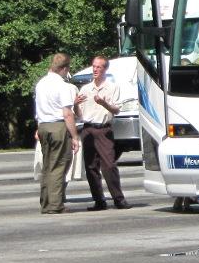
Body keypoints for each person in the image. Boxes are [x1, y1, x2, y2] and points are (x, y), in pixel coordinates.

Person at [79, 55, 130, 209]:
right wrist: (74, 105)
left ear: (105, 69)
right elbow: (79, 113)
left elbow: (116, 110)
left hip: (103, 129)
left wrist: (103, 103)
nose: (95, 69)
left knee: (109, 165)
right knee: (90, 166)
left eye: (99, 67)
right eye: (94, 66)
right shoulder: (85, 88)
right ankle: (99, 200)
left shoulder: (112, 87)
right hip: (88, 128)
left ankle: (118, 199)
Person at [34, 52, 81, 214]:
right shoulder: (62, 86)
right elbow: (67, 113)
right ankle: (55, 204)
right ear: (65, 68)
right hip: (57, 127)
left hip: (43, 126)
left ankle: (46, 202)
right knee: (59, 165)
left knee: (47, 165)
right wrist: (75, 136)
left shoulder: (41, 84)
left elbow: (38, 109)